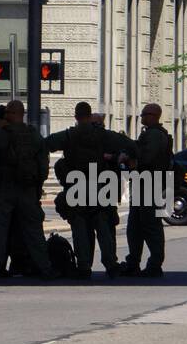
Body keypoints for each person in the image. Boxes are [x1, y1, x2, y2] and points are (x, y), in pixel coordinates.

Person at [42, 102, 136, 279]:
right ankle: (111, 264)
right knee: (103, 227)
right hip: (100, 187)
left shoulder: (69, 135)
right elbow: (130, 145)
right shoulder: (103, 135)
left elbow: (45, 144)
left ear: (76, 116)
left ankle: (84, 266)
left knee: (79, 228)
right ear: (89, 115)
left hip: (76, 188)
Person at [0, 100, 57, 281]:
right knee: (34, 231)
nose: (5, 115)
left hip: (3, 189)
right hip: (27, 189)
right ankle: (45, 268)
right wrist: (38, 186)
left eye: (8, 112)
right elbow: (43, 165)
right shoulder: (34, 135)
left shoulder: (0, 136)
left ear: (14, 114)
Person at [120, 103, 172, 277]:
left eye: (144, 114)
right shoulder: (151, 134)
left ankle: (154, 265)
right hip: (144, 184)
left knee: (150, 226)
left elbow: (147, 158)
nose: (141, 117)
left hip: (150, 184)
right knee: (135, 226)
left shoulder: (155, 135)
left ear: (153, 116)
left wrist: (130, 159)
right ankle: (133, 262)